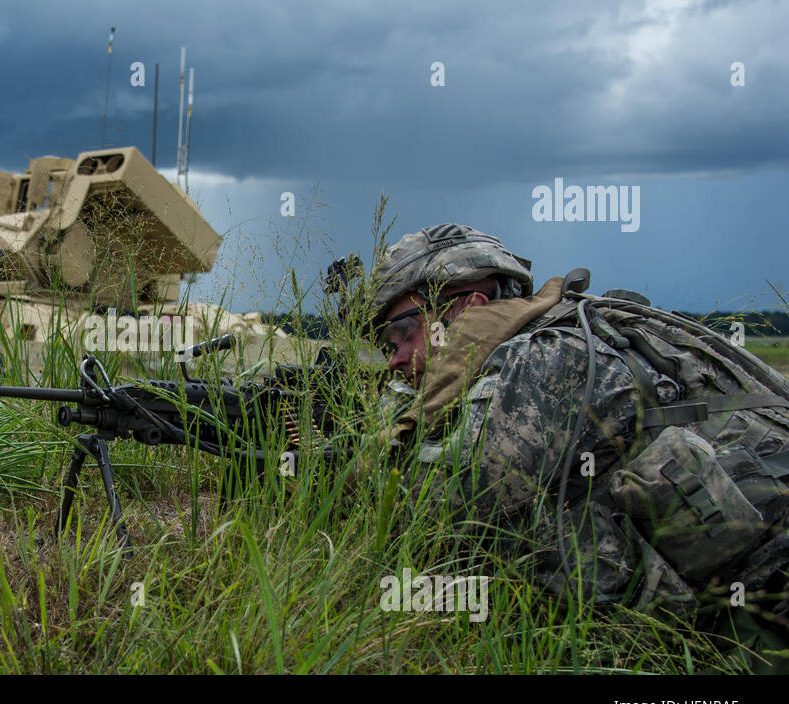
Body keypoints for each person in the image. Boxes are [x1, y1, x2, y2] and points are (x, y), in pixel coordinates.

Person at [332, 223, 789, 666]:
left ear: (465, 308)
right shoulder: (551, 339)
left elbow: (439, 517)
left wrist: (343, 468)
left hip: (761, 625)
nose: (394, 357)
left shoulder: (545, 356)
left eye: (400, 333)